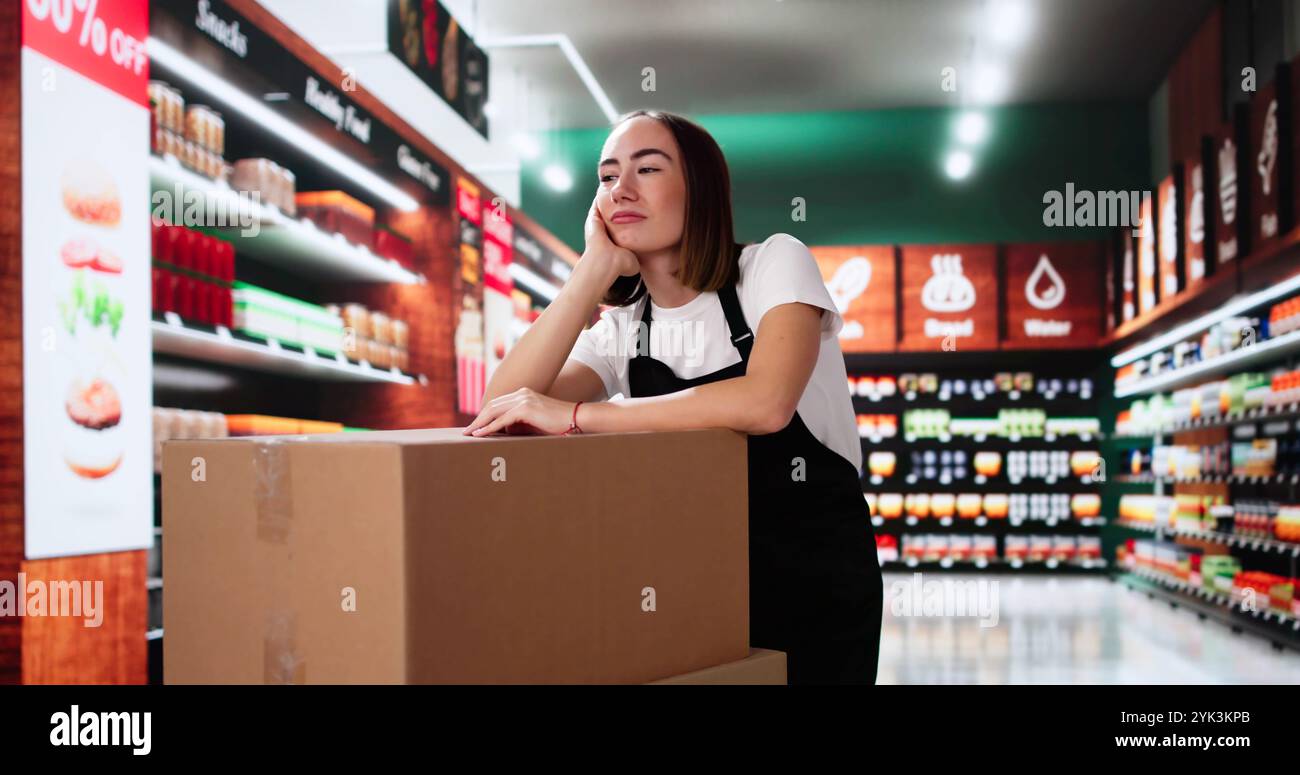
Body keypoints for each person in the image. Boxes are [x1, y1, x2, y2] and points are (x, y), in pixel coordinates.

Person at [465, 109, 882, 684]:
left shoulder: (771, 266)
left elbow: (765, 404)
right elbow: (502, 405)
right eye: (607, 177)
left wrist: (582, 417)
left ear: (700, 189)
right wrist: (593, 268)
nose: (621, 190)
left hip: (816, 588)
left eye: (648, 168)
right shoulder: (625, 326)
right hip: (692, 588)